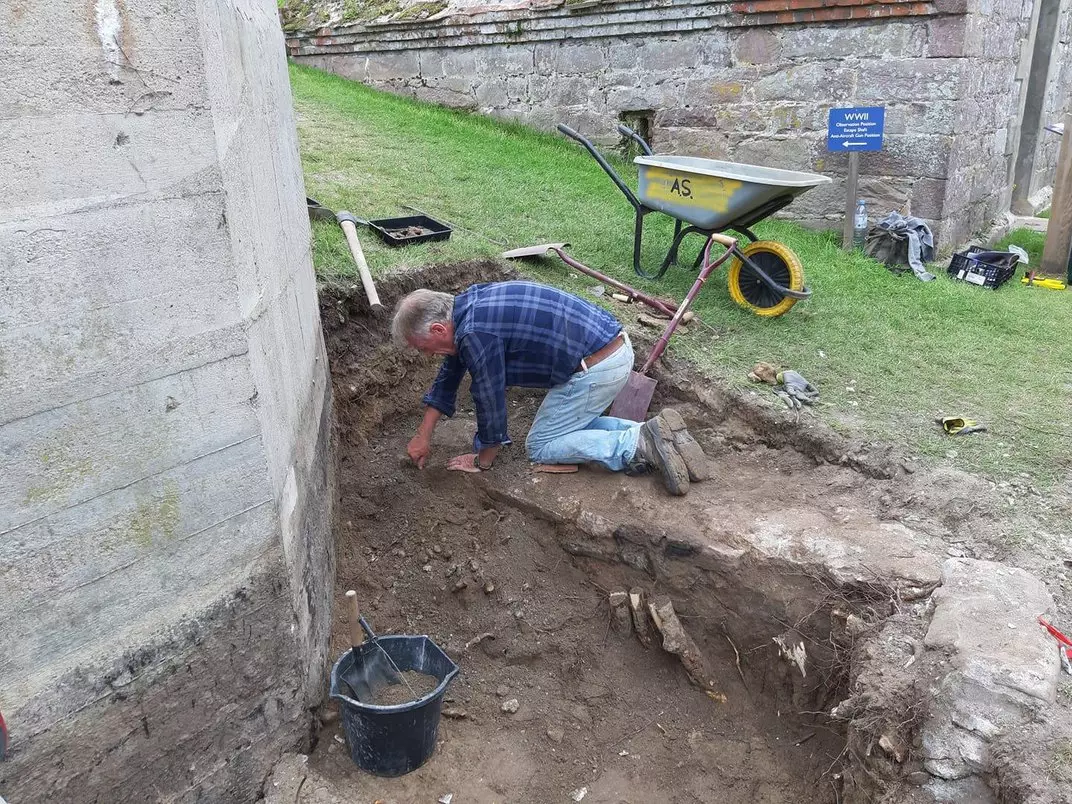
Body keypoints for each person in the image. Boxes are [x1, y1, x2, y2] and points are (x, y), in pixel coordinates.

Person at [391, 280, 708, 495]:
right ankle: (652, 431)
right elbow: (451, 370)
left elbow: (489, 399)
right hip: (611, 348)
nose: (428, 355)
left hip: (595, 368)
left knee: (541, 446)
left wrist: (482, 459)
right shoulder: (468, 304)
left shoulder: (475, 334)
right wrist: (424, 434)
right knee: (568, 426)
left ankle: (635, 444)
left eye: (424, 347)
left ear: (437, 328)